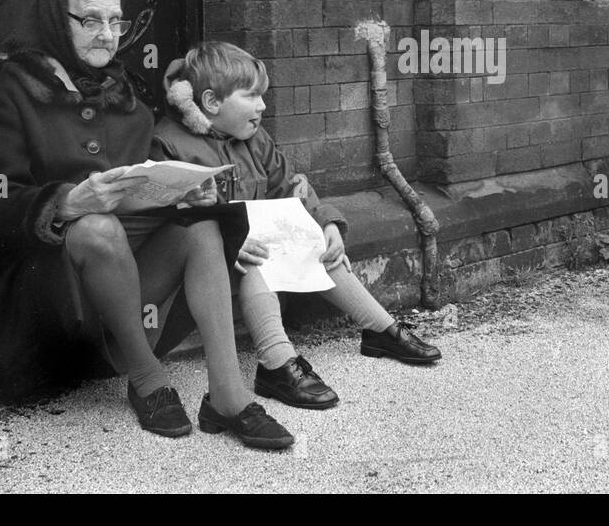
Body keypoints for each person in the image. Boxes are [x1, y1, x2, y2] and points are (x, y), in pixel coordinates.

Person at [0, 0, 293, 450]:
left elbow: (142, 197)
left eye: (116, 21)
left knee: (200, 226)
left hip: (119, 298)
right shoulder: (10, 93)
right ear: (58, 17)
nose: (108, 34)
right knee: (98, 227)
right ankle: (146, 376)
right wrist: (68, 201)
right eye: (90, 20)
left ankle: (228, 395)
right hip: (43, 304)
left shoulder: (129, 101)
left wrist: (181, 195)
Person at [151, 40, 441, 411]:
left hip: (253, 242)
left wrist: (326, 224)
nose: (263, 106)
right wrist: (228, 245)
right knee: (253, 257)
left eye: (263, 95)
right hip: (204, 271)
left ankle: (381, 329)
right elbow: (170, 222)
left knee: (315, 241)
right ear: (212, 103)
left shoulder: (253, 140)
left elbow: (291, 186)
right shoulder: (171, 145)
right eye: (251, 96)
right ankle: (276, 362)